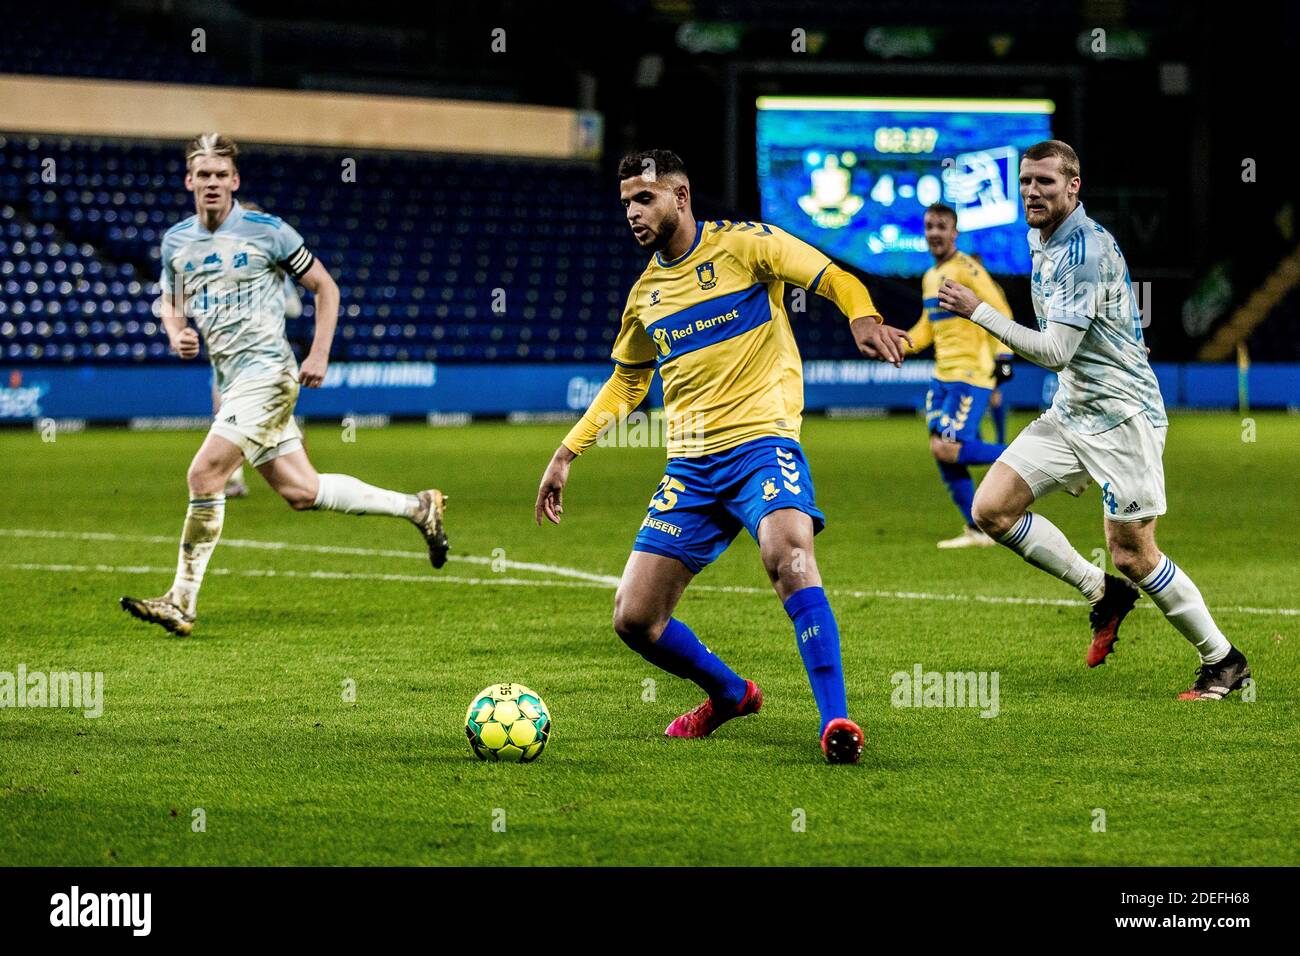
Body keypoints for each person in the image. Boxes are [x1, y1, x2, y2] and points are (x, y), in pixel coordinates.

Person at [534, 150, 912, 762]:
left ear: (681, 197)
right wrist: (567, 452)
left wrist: (862, 314)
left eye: (645, 199)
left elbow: (829, 274)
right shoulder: (645, 297)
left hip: (763, 443)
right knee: (634, 618)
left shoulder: (745, 245)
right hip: (690, 466)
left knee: (788, 555)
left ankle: (836, 719)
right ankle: (730, 694)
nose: (632, 212)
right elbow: (629, 382)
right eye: (626, 201)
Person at [939, 139, 1250, 699]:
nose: (1032, 191)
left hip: (1121, 419)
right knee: (991, 509)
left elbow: (1056, 351)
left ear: (1073, 186)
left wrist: (976, 311)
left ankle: (1223, 660)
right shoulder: (1044, 239)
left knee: (1132, 552)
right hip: (1072, 411)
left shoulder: (1082, 251)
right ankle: (1100, 590)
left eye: (1046, 182)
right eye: (1026, 181)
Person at [120, 134, 449, 637]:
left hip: (269, 374)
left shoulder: (267, 231)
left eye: (219, 175)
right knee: (302, 490)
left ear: (234, 180)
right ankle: (417, 507)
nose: (211, 183)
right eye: (201, 174)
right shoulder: (177, 242)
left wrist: (319, 352)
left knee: (204, 474)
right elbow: (172, 298)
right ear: (189, 180)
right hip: (233, 383)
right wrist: (177, 332)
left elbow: (325, 287)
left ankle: (181, 601)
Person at [906, 204, 1016, 548]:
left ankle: (1024, 456)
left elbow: (1000, 308)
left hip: (971, 374)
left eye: (942, 226)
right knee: (940, 449)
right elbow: (927, 328)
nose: (935, 233)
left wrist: (1004, 355)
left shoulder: (967, 268)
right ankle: (976, 528)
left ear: (954, 232)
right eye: (929, 226)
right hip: (942, 377)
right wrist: (900, 343)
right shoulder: (929, 277)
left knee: (951, 446)